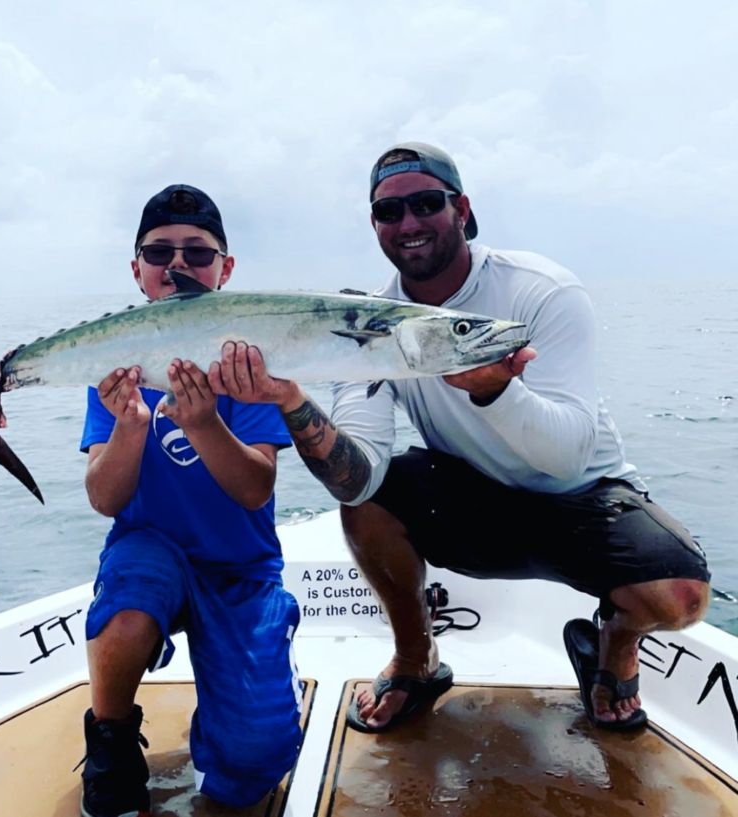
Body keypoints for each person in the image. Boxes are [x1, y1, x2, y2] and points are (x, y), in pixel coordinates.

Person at [207, 144, 711, 736]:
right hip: (469, 494)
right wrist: (291, 400)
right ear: (375, 225)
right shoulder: (364, 322)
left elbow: (571, 452)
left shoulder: (540, 292)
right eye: (389, 212)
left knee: (680, 595)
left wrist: (497, 393)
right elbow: (359, 475)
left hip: (584, 496)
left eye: (426, 203)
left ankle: (613, 647)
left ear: (462, 209)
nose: (409, 223)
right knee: (363, 502)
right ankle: (417, 659)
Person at [79, 184, 302, 817]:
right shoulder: (114, 357)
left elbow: (256, 486)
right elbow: (104, 497)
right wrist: (129, 425)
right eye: (160, 251)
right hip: (152, 547)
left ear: (226, 270)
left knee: (255, 761)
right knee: (126, 605)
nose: (178, 265)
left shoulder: (252, 359)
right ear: (137, 268)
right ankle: (111, 738)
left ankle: (233, 716)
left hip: (240, 567)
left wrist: (203, 424)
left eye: (198, 254)